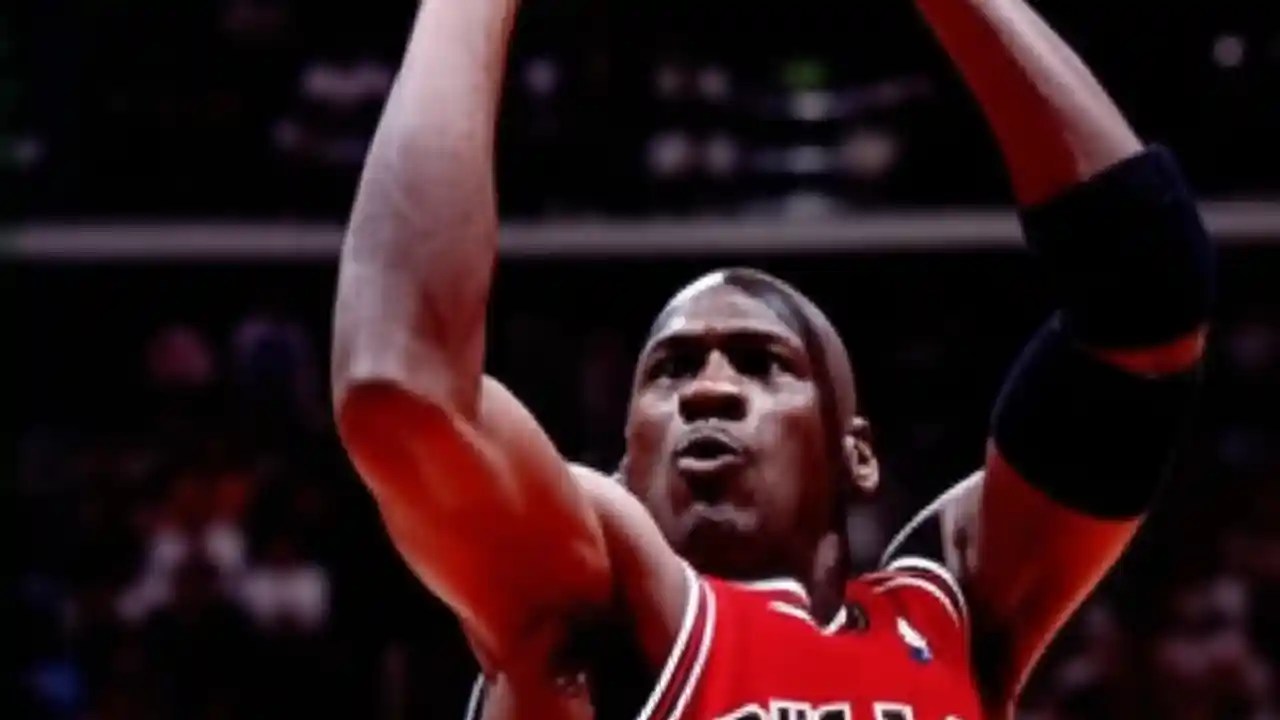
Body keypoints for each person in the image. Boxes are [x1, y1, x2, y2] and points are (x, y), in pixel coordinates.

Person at [330, 0, 1214, 716]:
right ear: (622, 463)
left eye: (762, 364)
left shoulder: (957, 608)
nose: (710, 391)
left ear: (857, 453)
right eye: (669, 372)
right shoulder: (593, 617)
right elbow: (398, 389)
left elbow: (1145, 293)